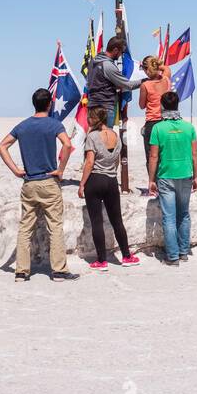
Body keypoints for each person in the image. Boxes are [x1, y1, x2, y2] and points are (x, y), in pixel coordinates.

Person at [0, 88, 78, 282]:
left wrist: (16, 169)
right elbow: (67, 144)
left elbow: (1, 146)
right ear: (49, 104)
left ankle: (21, 271)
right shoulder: (54, 124)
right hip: (49, 181)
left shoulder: (23, 126)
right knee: (55, 226)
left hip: (29, 183)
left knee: (25, 227)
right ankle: (58, 270)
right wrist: (61, 169)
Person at [78, 107, 140, 272]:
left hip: (95, 180)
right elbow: (117, 160)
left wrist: (82, 183)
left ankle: (101, 260)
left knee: (96, 221)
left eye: (89, 117)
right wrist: (111, 174)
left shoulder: (92, 136)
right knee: (117, 220)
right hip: (111, 181)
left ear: (94, 119)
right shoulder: (115, 136)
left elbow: (90, 162)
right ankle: (127, 256)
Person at [146, 91, 197, 266]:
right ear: (177, 105)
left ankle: (173, 256)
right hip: (186, 174)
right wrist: (196, 176)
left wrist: (151, 179)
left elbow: (153, 157)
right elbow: (194, 154)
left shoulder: (158, 128)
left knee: (169, 217)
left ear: (162, 106)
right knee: (183, 214)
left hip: (166, 176)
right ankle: (184, 252)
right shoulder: (188, 127)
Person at [84, 36, 146, 129]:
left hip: (92, 109)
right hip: (105, 110)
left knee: (95, 139)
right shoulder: (108, 65)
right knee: (106, 139)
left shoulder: (93, 62)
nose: (121, 55)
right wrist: (145, 80)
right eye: (121, 52)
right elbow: (128, 85)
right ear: (116, 50)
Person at [138, 54, 170, 193]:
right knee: (164, 155)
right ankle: (165, 185)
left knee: (151, 156)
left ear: (146, 70)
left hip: (152, 123)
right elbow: (166, 68)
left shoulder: (145, 85)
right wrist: (156, 64)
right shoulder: (166, 79)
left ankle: (154, 185)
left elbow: (141, 105)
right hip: (166, 121)